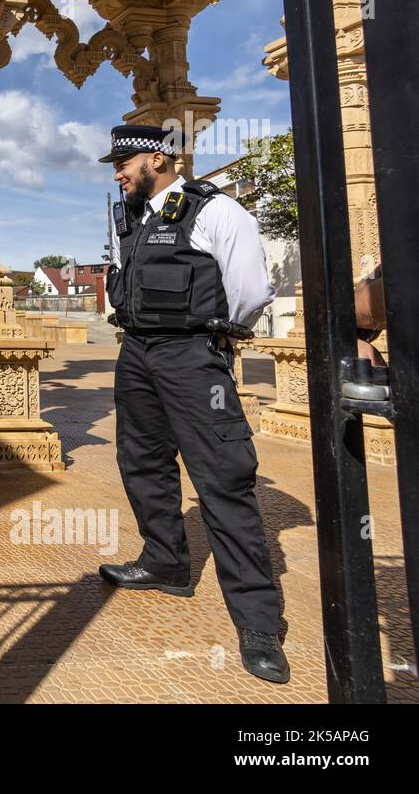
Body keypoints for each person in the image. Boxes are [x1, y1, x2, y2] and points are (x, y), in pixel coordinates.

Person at [101, 124, 287, 684]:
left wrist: (220, 342)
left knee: (223, 480)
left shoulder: (217, 211)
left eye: (123, 163)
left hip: (192, 356)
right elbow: (118, 278)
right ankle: (166, 561)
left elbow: (251, 290)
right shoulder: (128, 216)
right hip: (137, 352)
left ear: (156, 158)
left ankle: (258, 623)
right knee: (141, 459)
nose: (117, 173)